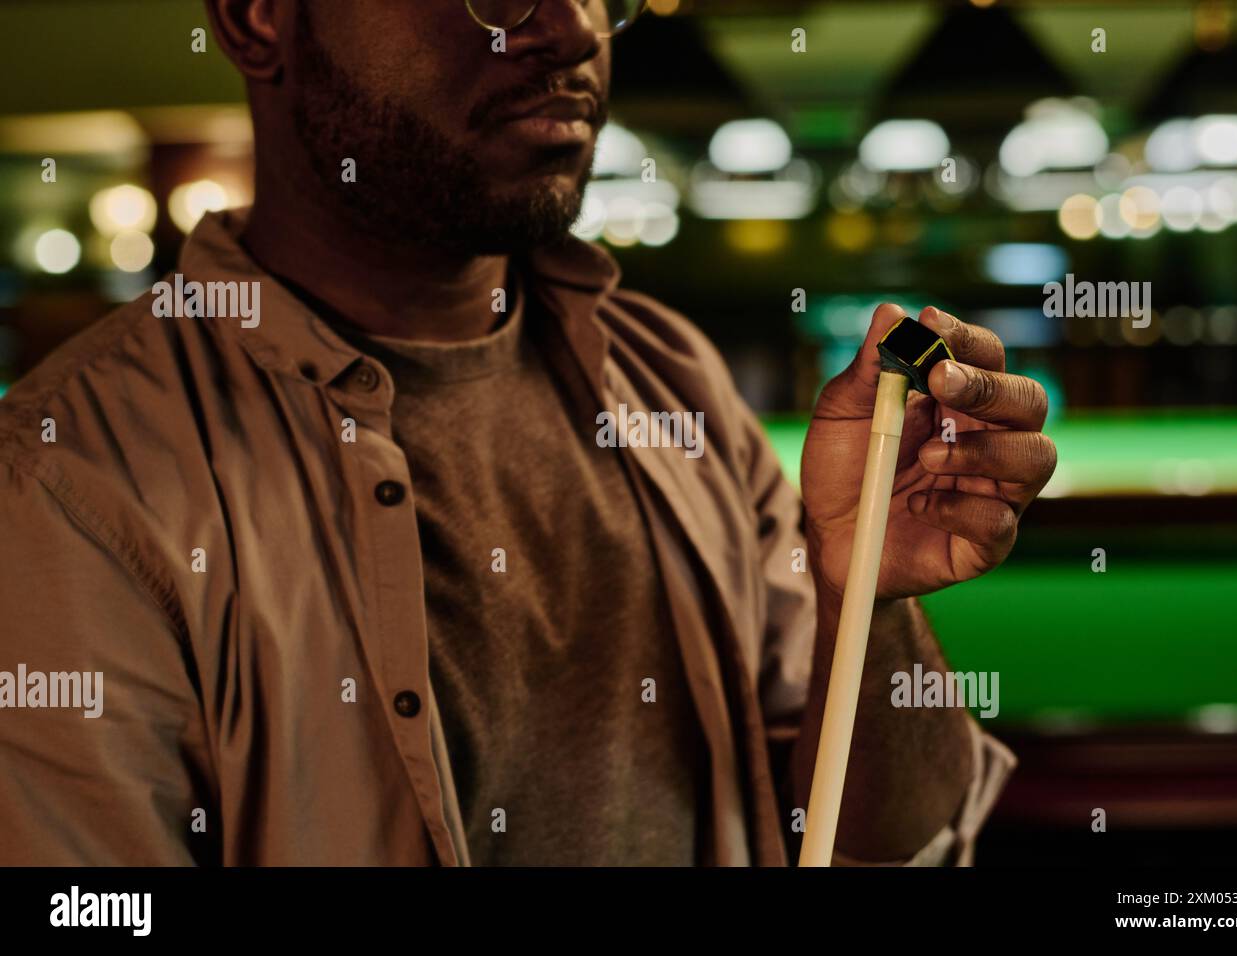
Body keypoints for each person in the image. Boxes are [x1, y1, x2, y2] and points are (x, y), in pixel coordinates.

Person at [0, 0, 1055, 866]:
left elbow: (895, 849)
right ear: (258, 19)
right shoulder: (69, 478)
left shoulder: (667, 372)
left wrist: (862, 592)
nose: (572, 27)